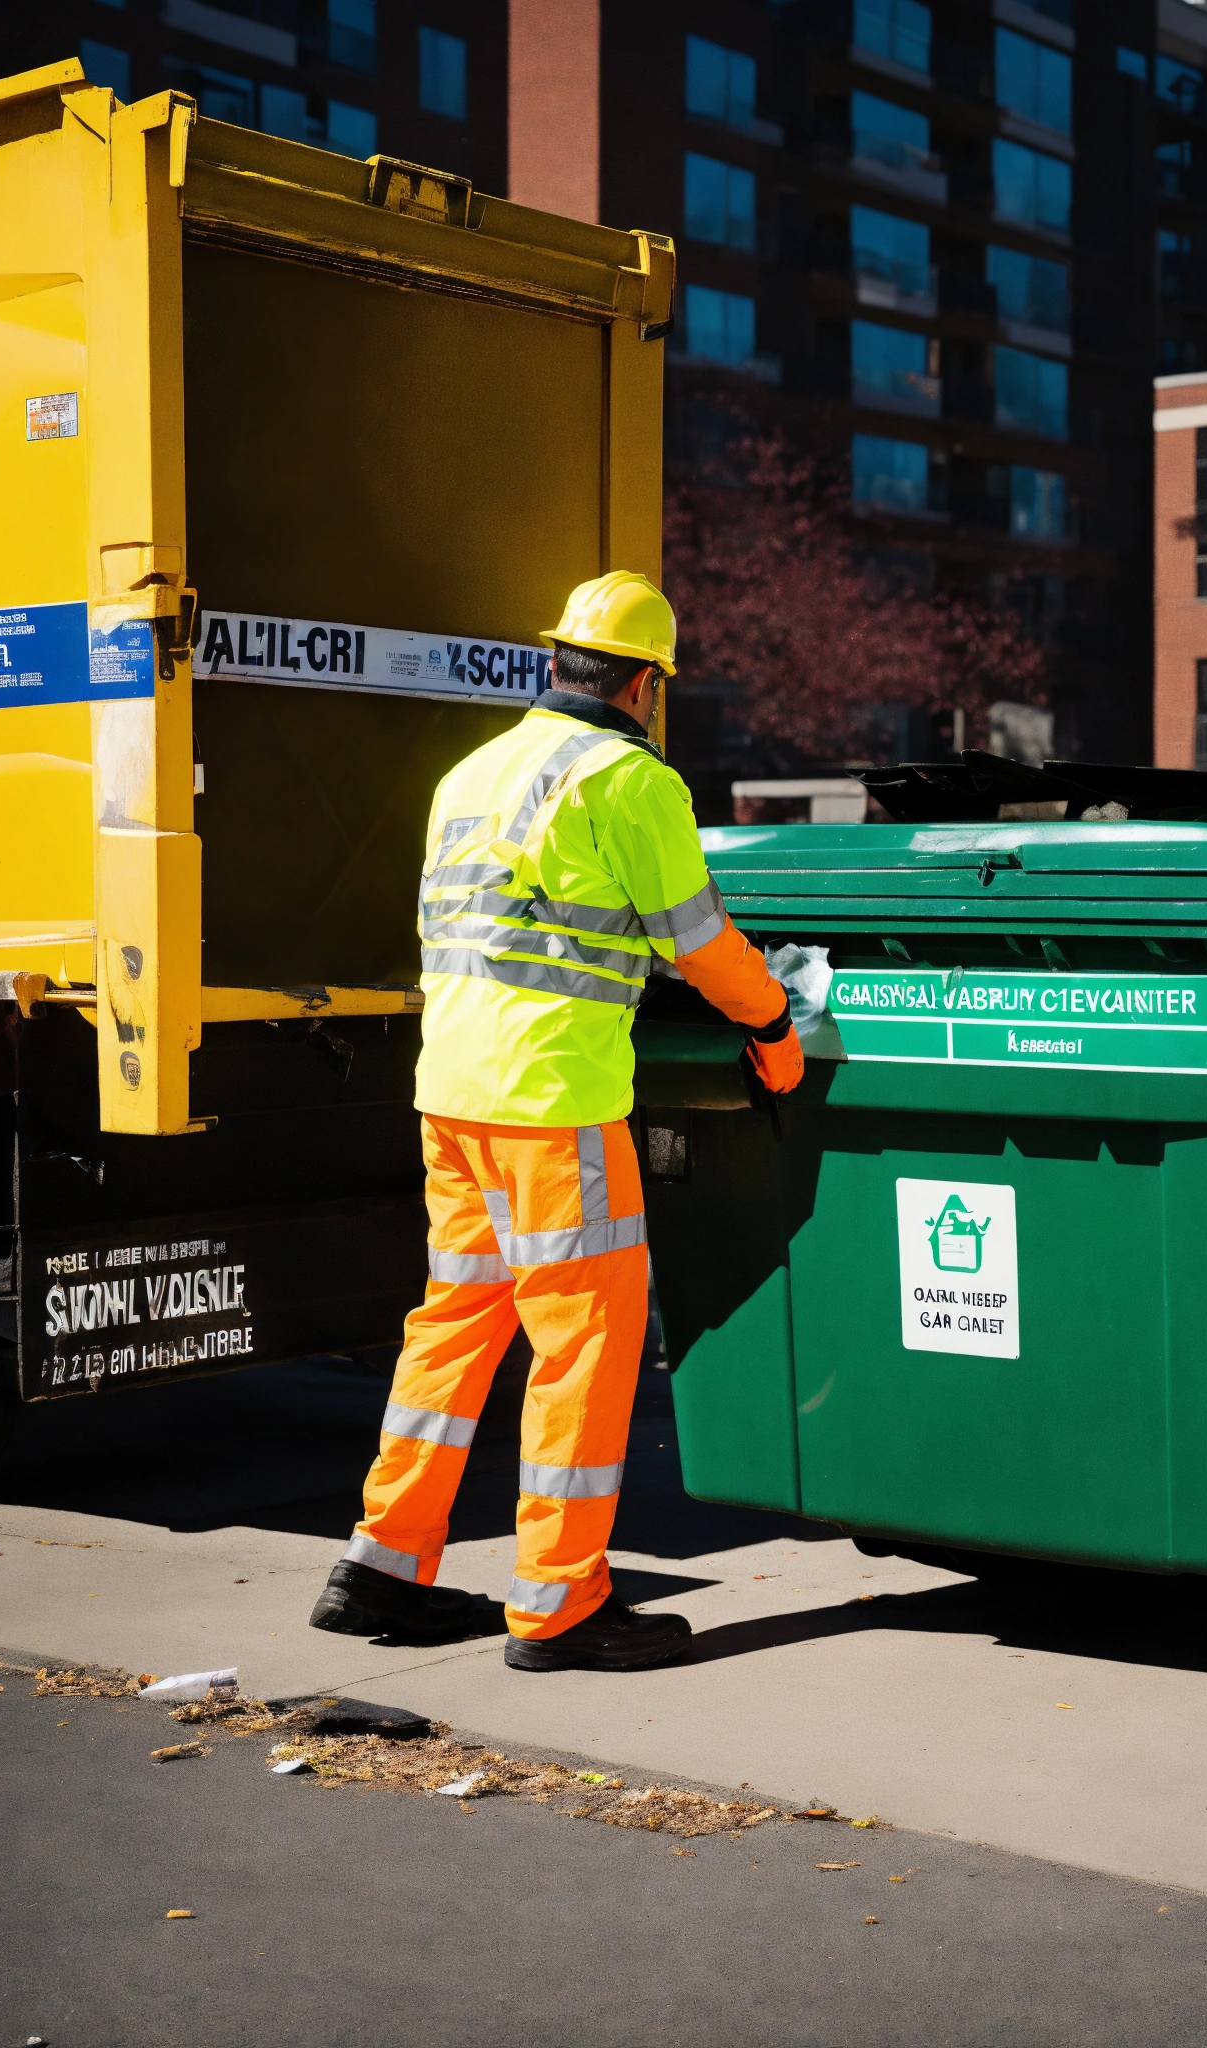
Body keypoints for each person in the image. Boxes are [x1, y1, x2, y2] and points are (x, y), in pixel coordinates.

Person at [309, 571, 803, 1671]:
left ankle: (382, 1562)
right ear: (646, 684)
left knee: (455, 1326)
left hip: (454, 1093)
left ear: (555, 662)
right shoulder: (629, 780)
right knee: (582, 1344)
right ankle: (559, 1603)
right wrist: (774, 1023)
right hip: (555, 1103)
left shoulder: (468, 773)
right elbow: (700, 940)